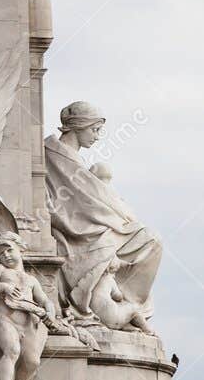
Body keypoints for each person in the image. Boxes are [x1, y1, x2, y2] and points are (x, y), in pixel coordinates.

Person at [44, 101, 162, 332]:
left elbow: (94, 199)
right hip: (79, 229)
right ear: (79, 126)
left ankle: (124, 306)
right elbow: (88, 203)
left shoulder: (70, 158)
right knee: (151, 240)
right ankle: (126, 308)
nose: (97, 137)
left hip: (90, 224)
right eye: (95, 130)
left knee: (150, 238)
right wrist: (122, 218)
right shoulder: (55, 154)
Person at [0, 232, 58, 380]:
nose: (5, 256)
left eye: (9, 250)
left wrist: (50, 312)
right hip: (6, 319)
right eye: (0, 254)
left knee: (33, 361)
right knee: (12, 350)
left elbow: (45, 300)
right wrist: (3, 287)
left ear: (20, 249)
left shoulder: (32, 280)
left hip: (28, 324)